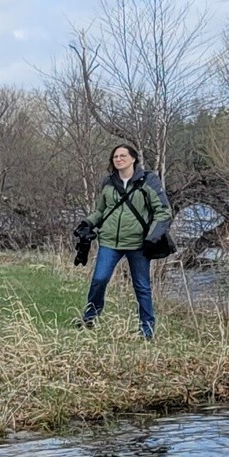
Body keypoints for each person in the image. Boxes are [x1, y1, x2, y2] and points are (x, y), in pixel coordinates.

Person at [77, 143, 170, 340]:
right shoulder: (108, 182)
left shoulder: (149, 181)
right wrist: (87, 223)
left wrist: (152, 238)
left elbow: (163, 211)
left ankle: (147, 330)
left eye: (122, 156)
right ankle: (89, 319)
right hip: (109, 241)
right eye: (115, 157)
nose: (118, 159)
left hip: (138, 243)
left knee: (141, 286)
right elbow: (101, 211)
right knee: (99, 279)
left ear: (133, 158)